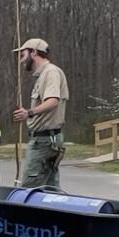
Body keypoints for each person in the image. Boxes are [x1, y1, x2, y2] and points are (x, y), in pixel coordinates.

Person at [11, 38, 70, 190]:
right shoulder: (43, 75)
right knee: (50, 191)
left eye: (23, 54)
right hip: (46, 140)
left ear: (34, 52)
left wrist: (28, 113)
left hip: (44, 141)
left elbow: (52, 101)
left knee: (30, 189)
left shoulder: (50, 73)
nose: (21, 60)